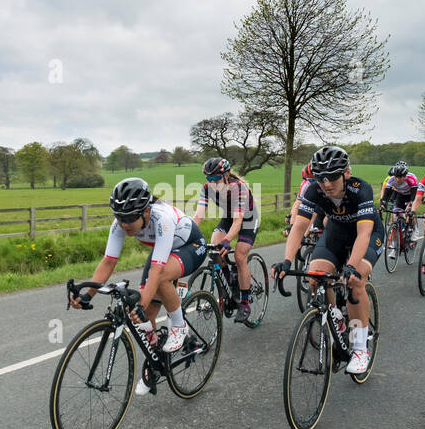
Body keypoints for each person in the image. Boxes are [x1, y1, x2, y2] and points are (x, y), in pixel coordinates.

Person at [71, 177, 207, 395]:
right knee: (145, 317)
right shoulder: (120, 225)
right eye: (120, 217)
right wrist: (88, 294)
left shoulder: (161, 219)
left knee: (158, 281)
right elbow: (108, 261)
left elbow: (156, 271)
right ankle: (156, 362)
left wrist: (141, 303)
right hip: (163, 252)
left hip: (190, 245)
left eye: (129, 217)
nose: (124, 224)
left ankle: (179, 326)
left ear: (145, 211)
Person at [272, 146, 384, 375]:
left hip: (368, 234)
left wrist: (351, 266)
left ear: (347, 173)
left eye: (333, 176)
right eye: (320, 178)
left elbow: (363, 235)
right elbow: (299, 227)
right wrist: (286, 261)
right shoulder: (314, 191)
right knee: (315, 277)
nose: (326, 183)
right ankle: (335, 316)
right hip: (336, 232)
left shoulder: (360, 190)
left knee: (355, 280)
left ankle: (361, 349)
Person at [193, 157, 260, 323]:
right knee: (215, 250)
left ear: (226, 175)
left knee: (239, 256)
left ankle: (244, 302)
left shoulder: (239, 187)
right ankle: (230, 279)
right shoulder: (206, 188)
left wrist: (228, 239)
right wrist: (188, 234)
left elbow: (239, 221)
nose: (212, 183)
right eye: (209, 179)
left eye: (216, 178)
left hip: (248, 219)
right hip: (229, 217)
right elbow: (198, 216)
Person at [379, 161, 420, 259]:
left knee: (410, 212)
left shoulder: (411, 179)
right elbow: (385, 196)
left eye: (400, 177)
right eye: (396, 176)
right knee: (394, 219)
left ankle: (415, 230)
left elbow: (414, 197)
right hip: (401, 196)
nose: (397, 179)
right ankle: (394, 248)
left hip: (411, 196)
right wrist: (382, 205)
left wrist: (410, 206)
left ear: (405, 176)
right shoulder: (391, 180)